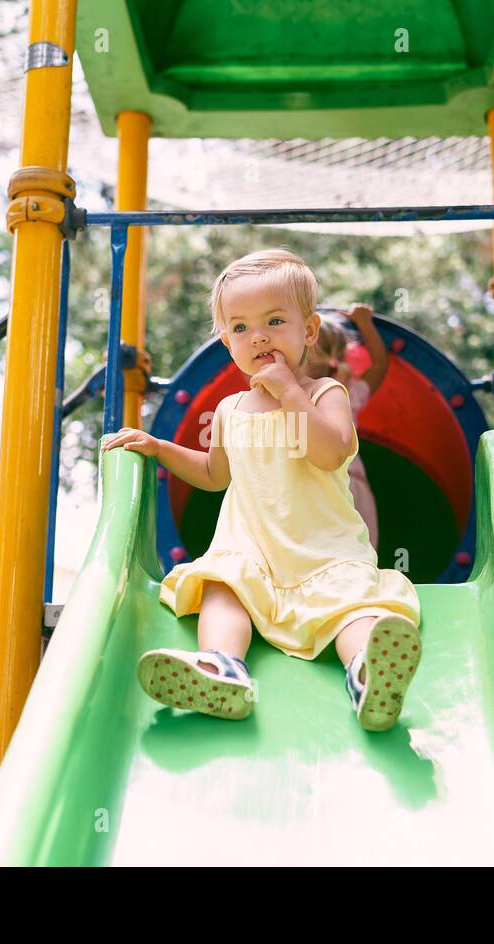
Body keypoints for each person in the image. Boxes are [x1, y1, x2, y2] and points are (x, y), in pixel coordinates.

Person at [103, 249, 422, 732]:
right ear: (227, 342)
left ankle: (368, 672)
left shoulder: (323, 394)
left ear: (309, 331)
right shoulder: (230, 409)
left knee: (353, 607)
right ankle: (221, 668)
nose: (259, 337)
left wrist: (289, 392)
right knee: (221, 588)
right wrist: (161, 447)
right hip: (252, 554)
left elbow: (330, 453)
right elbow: (214, 474)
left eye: (275, 321)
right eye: (241, 328)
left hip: (324, 553)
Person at [303, 305, 387, 550]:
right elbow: (380, 365)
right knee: (358, 556)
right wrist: (365, 323)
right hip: (352, 485)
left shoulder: (289, 392)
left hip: (310, 487)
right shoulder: (348, 391)